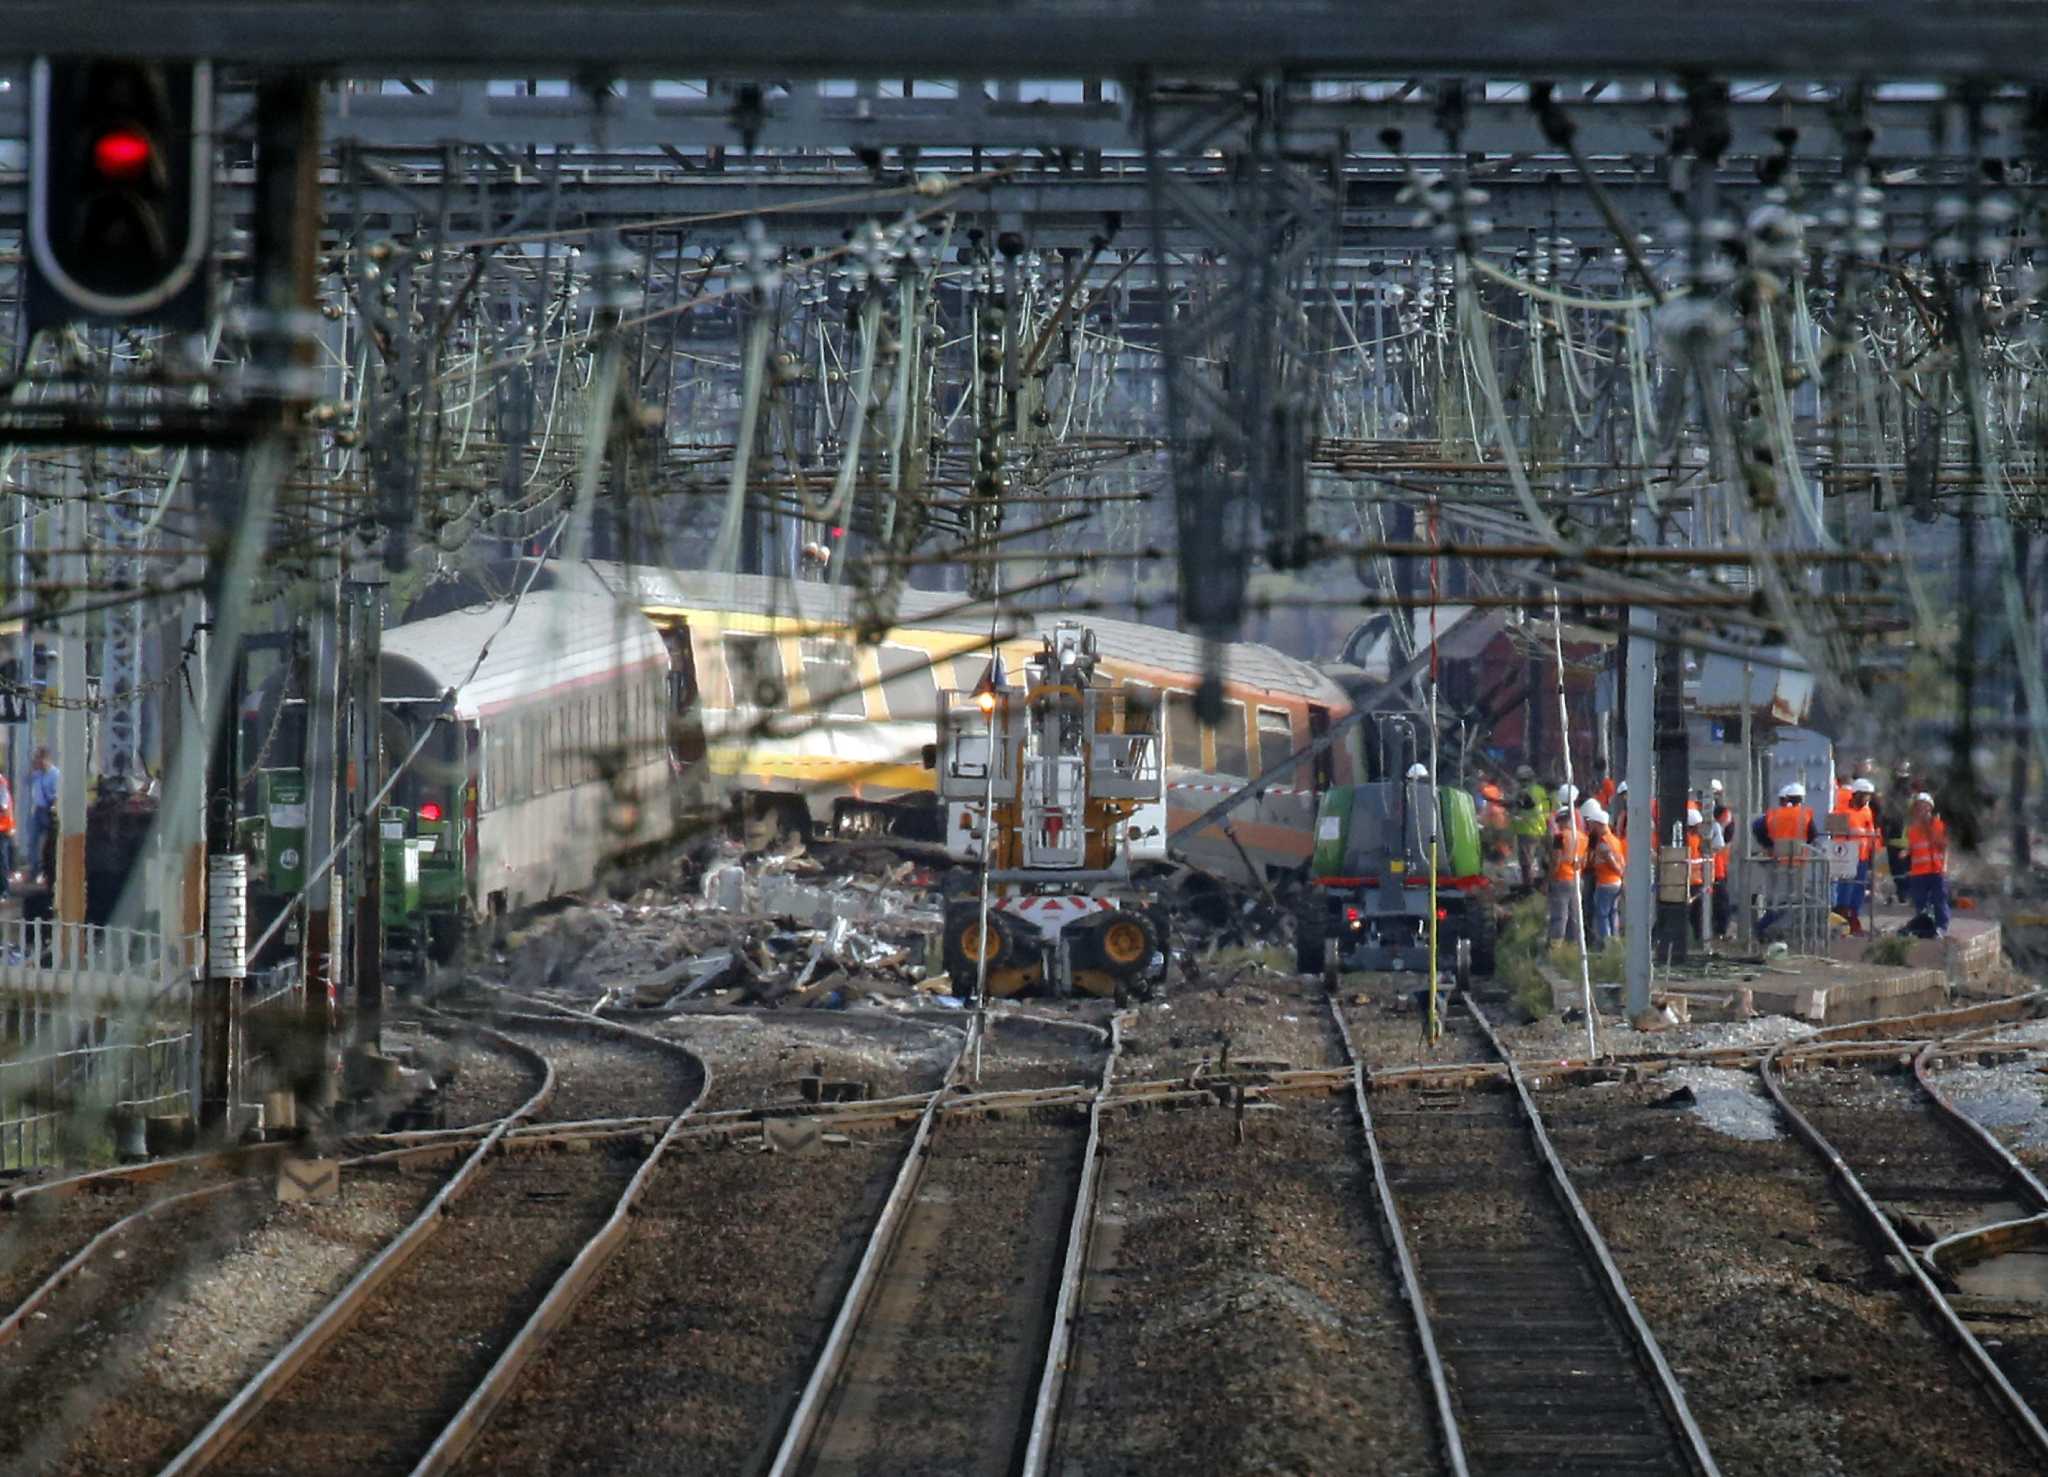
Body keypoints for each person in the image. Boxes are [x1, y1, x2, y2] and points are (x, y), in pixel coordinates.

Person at [1831, 778, 1880, 935]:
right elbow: (1834, 832)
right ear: (1857, 794)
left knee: (1859, 889)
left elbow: (1870, 832)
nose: (1868, 799)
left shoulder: (1867, 811)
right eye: (1866, 795)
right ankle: (1841, 919)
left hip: (1862, 856)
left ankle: (1853, 919)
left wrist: (1874, 848)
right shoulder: (1841, 810)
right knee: (1845, 888)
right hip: (1846, 856)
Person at [1904, 791, 1951, 938]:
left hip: (1936, 869)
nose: (1920, 810)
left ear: (1930, 807)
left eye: (1923, 806)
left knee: (1939, 900)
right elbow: (1913, 847)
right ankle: (1924, 927)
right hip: (1918, 872)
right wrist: (1906, 852)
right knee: (1920, 902)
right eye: (1917, 807)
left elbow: (1944, 846)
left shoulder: (1938, 825)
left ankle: (1941, 927)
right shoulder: (1912, 829)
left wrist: (1944, 865)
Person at [1548, 800, 1588, 944]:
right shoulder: (1583, 837)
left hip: (1562, 879)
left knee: (1559, 915)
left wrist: (1550, 878)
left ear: (1560, 821)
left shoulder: (1559, 837)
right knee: (1575, 915)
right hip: (1577, 879)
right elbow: (1584, 861)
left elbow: (1556, 860)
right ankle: (1574, 945)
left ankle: (1556, 946)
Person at [1585, 802, 1625, 947]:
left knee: (1602, 914)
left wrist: (1620, 872)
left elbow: (1612, 862)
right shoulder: (1615, 840)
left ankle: (1606, 943)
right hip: (1615, 882)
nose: (1591, 827)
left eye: (1593, 824)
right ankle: (1614, 942)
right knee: (1612, 913)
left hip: (1606, 883)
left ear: (1599, 824)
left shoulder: (1603, 843)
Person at [1511, 764, 1551, 890]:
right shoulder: (1540, 790)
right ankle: (1545, 883)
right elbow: (1547, 810)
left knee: (1526, 862)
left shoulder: (1523, 792)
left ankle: (1528, 887)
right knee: (1543, 859)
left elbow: (1517, 809)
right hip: (1541, 829)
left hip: (1526, 830)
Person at [25, 747, 57, 888]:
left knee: (49, 843)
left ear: (47, 759)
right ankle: (34, 870)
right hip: (38, 809)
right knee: (33, 841)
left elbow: (56, 794)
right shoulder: (37, 774)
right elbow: (26, 780)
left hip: (49, 811)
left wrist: (54, 808)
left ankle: (48, 871)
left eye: (40, 759)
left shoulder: (55, 774)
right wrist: (33, 767)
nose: (38, 762)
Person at [0, 768, 12, 900]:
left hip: (2, 827)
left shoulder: (1, 783)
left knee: (2, 859)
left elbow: (3, 806)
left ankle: (5, 889)